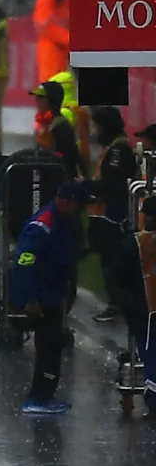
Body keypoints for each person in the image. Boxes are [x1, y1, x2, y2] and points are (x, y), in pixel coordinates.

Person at [9, 182, 87, 414]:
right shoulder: (42, 227)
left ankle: (45, 394)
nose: (80, 210)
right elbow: (24, 262)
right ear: (67, 201)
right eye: (78, 204)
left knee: (53, 346)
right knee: (48, 347)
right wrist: (30, 298)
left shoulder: (63, 223)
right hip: (42, 297)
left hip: (53, 294)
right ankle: (39, 396)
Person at [90, 106, 136, 323]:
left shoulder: (118, 150)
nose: (94, 131)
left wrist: (88, 187)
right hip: (108, 213)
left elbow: (113, 184)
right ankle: (118, 302)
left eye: (97, 126)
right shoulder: (114, 148)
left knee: (113, 261)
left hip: (114, 214)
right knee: (109, 260)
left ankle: (117, 304)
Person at [34, 80, 84, 179]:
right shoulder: (44, 124)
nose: (36, 100)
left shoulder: (61, 126)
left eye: (40, 98)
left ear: (52, 100)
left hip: (58, 178)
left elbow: (72, 156)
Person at [34, 0, 71, 88]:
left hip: (64, 51)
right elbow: (45, 28)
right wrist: (71, 39)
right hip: (50, 51)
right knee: (52, 87)